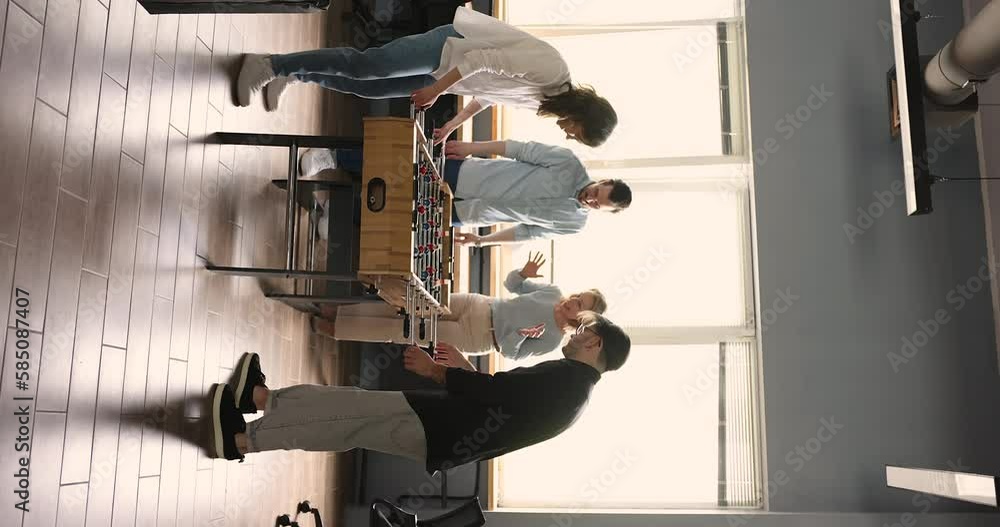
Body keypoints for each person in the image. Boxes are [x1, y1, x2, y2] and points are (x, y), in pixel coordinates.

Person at [209, 311, 631, 475]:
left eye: (584, 331)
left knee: (344, 417)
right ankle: (261, 400)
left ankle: (245, 438)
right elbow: (508, 399)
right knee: (348, 414)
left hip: (441, 425)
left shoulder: (569, 380)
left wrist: (436, 372)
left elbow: (501, 396)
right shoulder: (575, 390)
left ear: (595, 345)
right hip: (444, 430)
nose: (576, 333)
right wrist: (462, 369)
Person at [235, 6, 617, 147]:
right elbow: (484, 59)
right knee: (366, 65)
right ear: (585, 115)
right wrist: (436, 90)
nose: (568, 133)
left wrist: (453, 124)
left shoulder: (547, 100)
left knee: (366, 89)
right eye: (576, 132)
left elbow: (489, 94)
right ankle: (270, 64)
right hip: (449, 49)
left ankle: (297, 75)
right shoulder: (552, 69)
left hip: (447, 75)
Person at [302, 138, 632, 246]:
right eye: (597, 192)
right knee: (399, 171)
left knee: (403, 218)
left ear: (603, 212)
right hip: (471, 175)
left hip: (473, 213)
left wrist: (483, 241)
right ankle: (332, 157)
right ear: (603, 181)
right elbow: (517, 149)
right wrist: (470, 146)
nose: (591, 198)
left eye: (597, 204)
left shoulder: (574, 224)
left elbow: (527, 232)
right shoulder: (569, 162)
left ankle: (338, 216)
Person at [319, 252, 607, 365]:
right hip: (479, 304)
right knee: (409, 302)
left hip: (477, 337)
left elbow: (510, 352)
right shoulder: (553, 292)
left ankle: (338, 328)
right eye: (578, 295)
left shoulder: (553, 341)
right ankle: (341, 311)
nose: (573, 299)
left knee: (404, 329)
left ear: (580, 319)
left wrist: (520, 333)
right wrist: (524, 272)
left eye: (579, 304)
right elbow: (511, 285)